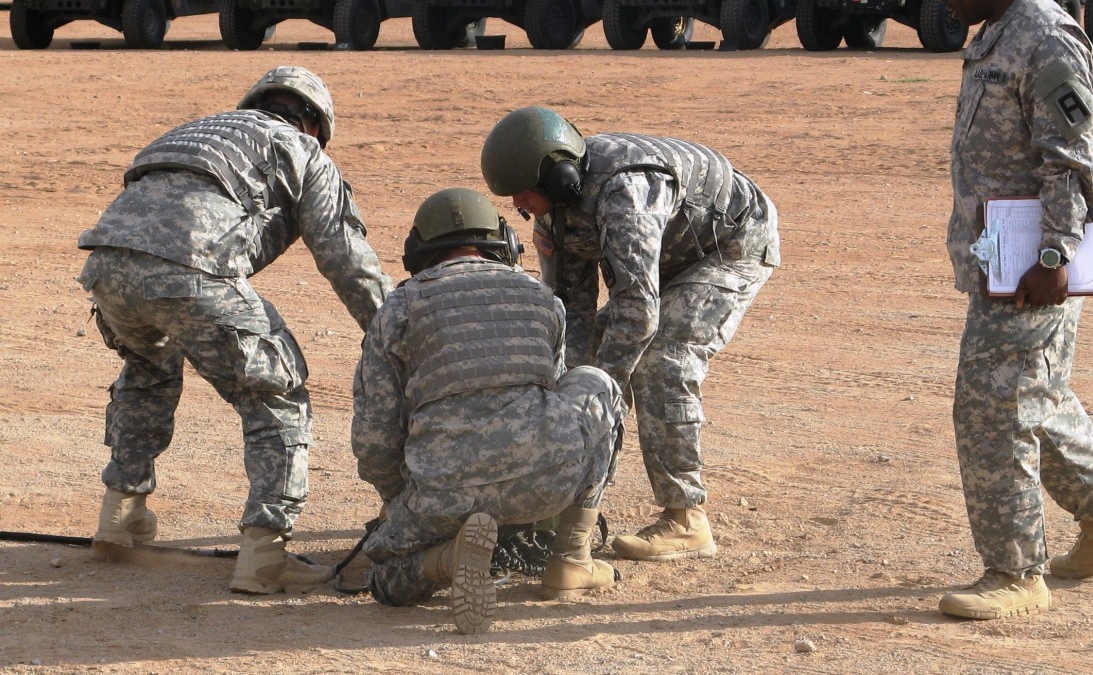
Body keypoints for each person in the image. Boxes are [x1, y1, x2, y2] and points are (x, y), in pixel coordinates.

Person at [919, 0, 1093, 620]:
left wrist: (1052, 255)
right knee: (1034, 397)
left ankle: (1017, 573)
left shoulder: (1047, 38)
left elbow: (1077, 162)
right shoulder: (998, 35)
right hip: (1003, 259)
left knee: (992, 409)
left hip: (1032, 264)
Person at [78, 65, 391, 594]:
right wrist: (391, 331)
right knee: (274, 391)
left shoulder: (195, 131)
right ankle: (265, 554)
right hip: (192, 268)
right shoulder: (301, 149)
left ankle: (121, 514)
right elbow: (346, 260)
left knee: (148, 366)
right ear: (313, 122)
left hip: (107, 267)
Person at [480, 107, 780, 563]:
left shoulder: (625, 192)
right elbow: (570, 315)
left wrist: (600, 396)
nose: (518, 206)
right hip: (664, 256)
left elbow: (639, 313)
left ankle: (687, 518)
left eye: (523, 192)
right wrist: (569, 405)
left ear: (557, 176)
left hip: (728, 246)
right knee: (591, 363)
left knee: (662, 360)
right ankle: (570, 502)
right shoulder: (552, 216)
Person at [351, 187, 625, 635]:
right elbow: (553, 395)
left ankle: (447, 558)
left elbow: (374, 435)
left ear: (418, 251)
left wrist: (395, 502)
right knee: (597, 384)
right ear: (505, 243)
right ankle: (571, 558)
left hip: (439, 495)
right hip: (544, 488)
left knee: (384, 579)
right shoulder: (543, 299)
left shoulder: (399, 309)